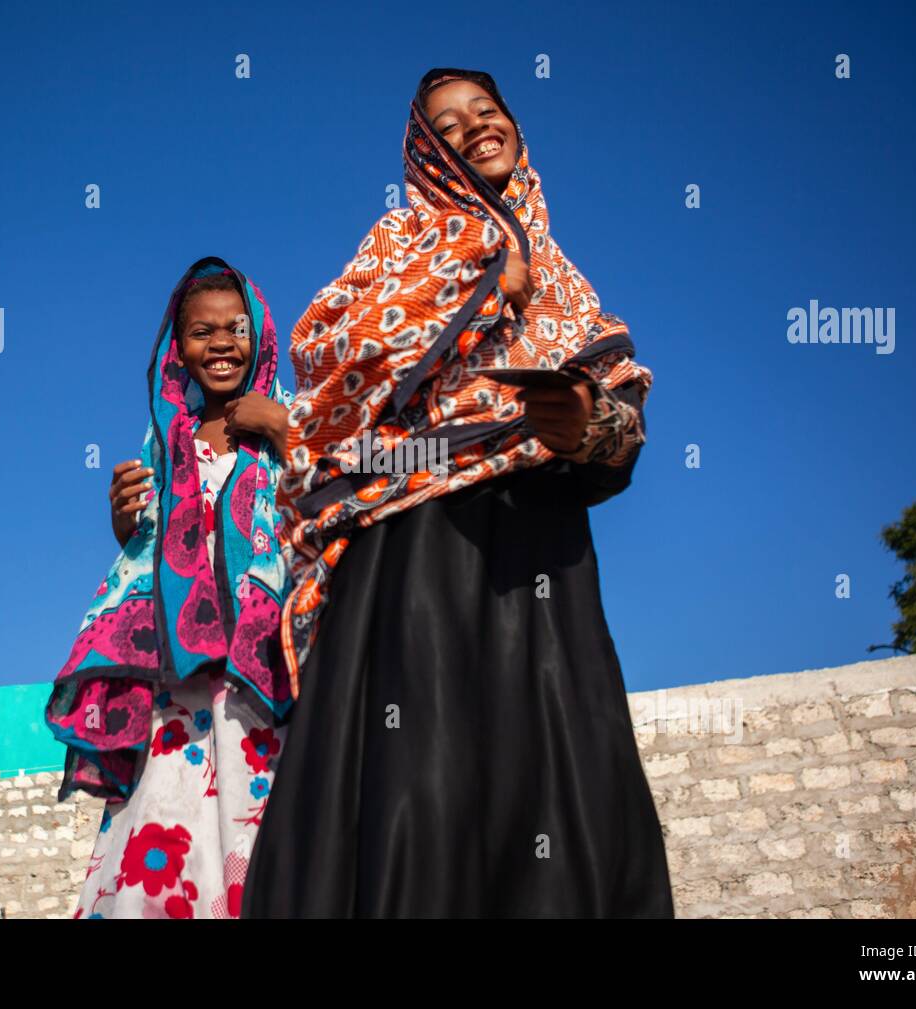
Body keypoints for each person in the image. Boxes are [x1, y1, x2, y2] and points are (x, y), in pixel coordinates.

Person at [242, 69, 675, 917]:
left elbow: (621, 420)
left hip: (542, 557)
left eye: (487, 111)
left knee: (558, 767)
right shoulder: (401, 239)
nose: (474, 128)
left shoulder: (565, 279)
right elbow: (328, 353)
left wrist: (583, 421)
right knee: (419, 773)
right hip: (415, 547)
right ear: (426, 153)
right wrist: (475, 279)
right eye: (448, 124)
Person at [46, 257, 294, 918]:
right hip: (172, 688)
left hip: (257, 680)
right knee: (163, 826)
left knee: (254, 827)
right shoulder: (163, 443)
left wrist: (280, 428)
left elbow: (341, 486)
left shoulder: (287, 422)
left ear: (261, 335)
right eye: (200, 331)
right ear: (176, 348)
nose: (218, 343)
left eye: (234, 328)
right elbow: (150, 553)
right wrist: (122, 519)